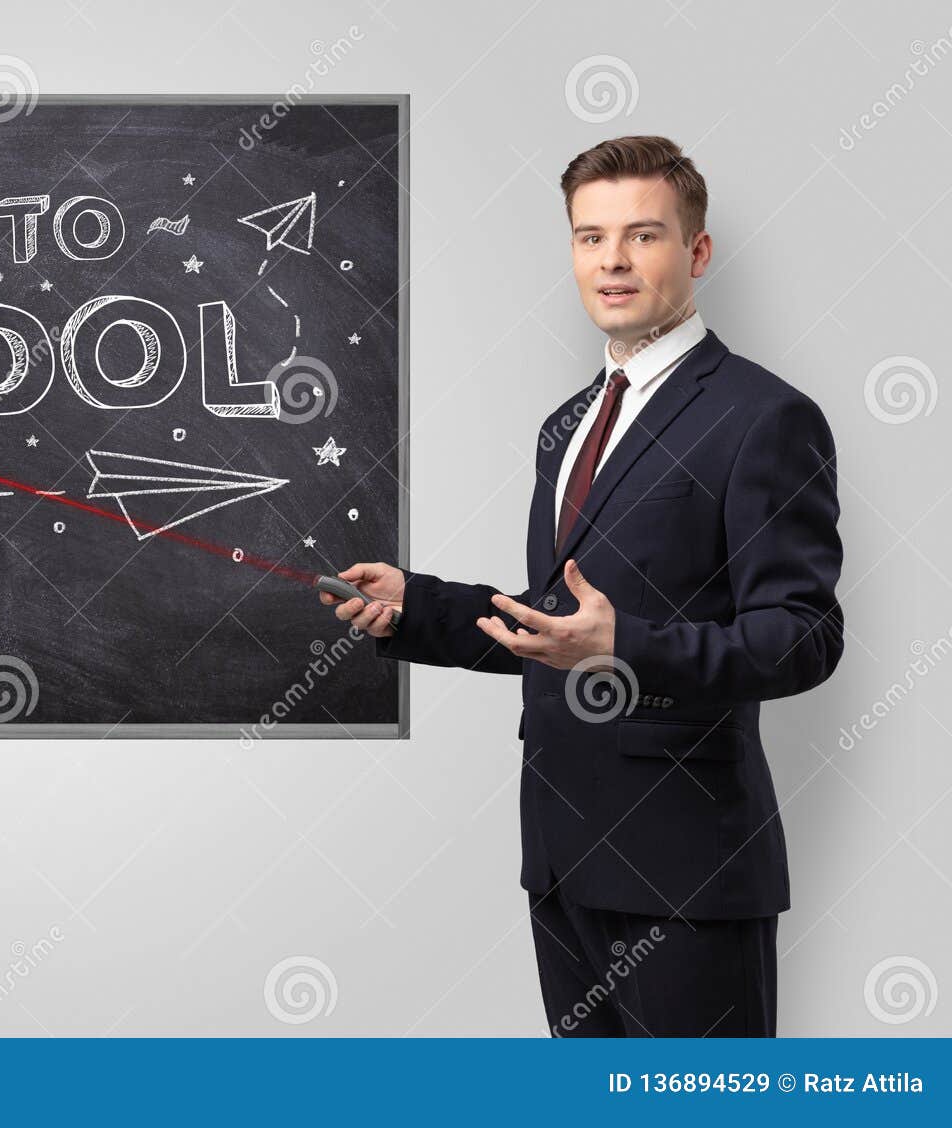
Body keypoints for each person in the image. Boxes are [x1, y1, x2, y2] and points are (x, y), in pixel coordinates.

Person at [323, 136, 843, 1037]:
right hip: (561, 858)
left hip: (686, 869)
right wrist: (419, 606)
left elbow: (803, 637)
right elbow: (557, 623)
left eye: (643, 235)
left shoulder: (764, 417)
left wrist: (624, 645)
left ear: (698, 251)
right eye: (590, 237)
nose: (612, 261)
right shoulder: (565, 426)